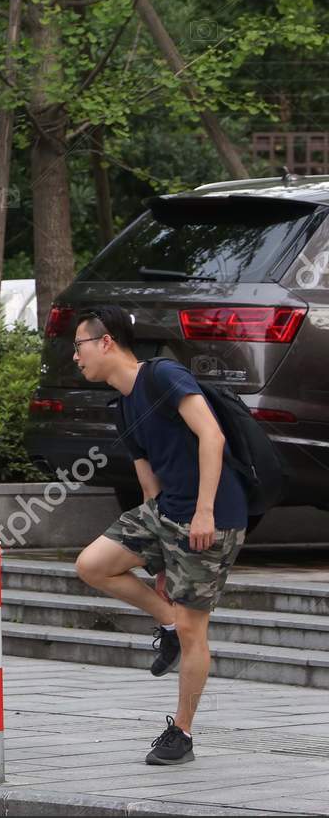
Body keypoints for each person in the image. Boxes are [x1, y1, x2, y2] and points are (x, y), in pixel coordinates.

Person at [72, 305, 249, 766]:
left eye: (79, 345)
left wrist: (204, 512)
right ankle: (166, 624)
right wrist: (159, 560)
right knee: (92, 564)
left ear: (105, 341)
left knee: (196, 629)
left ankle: (182, 734)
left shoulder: (163, 376)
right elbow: (148, 482)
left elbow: (212, 437)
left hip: (215, 514)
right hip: (166, 512)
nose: (75, 356)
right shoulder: (121, 404)